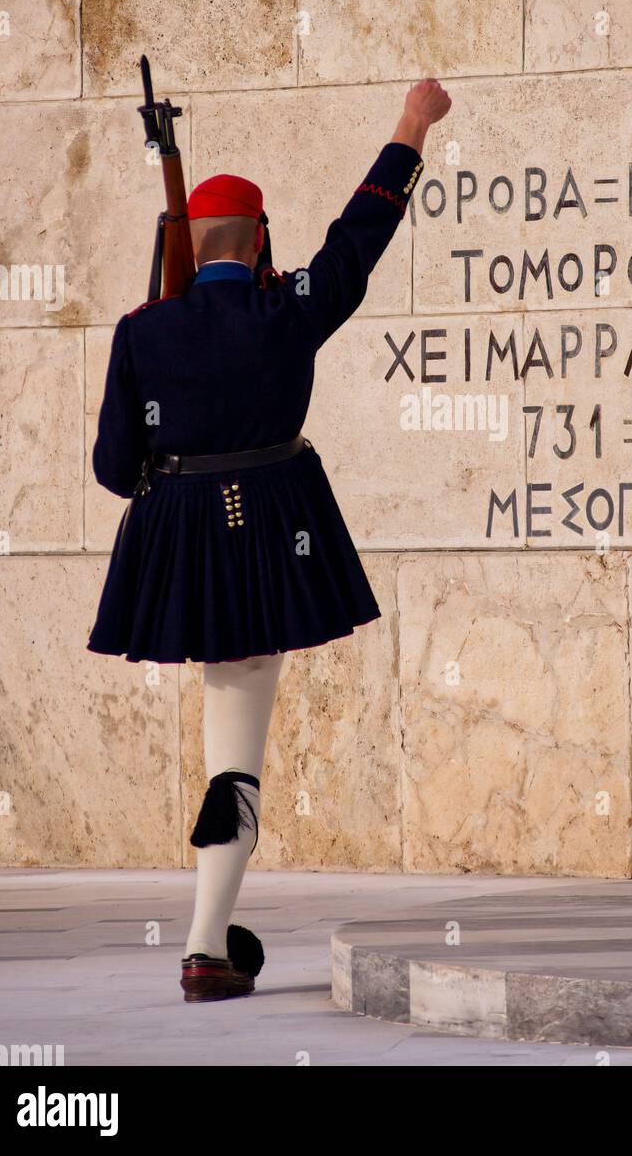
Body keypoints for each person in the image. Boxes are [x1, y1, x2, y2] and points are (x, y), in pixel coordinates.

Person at [88, 78, 452, 1000]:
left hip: (179, 535)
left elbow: (110, 464)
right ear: (257, 244)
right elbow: (356, 241)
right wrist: (409, 128)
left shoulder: (141, 332)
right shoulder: (285, 306)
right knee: (237, 744)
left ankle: (212, 935)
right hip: (266, 529)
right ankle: (206, 944)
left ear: (184, 248)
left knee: (230, 733)